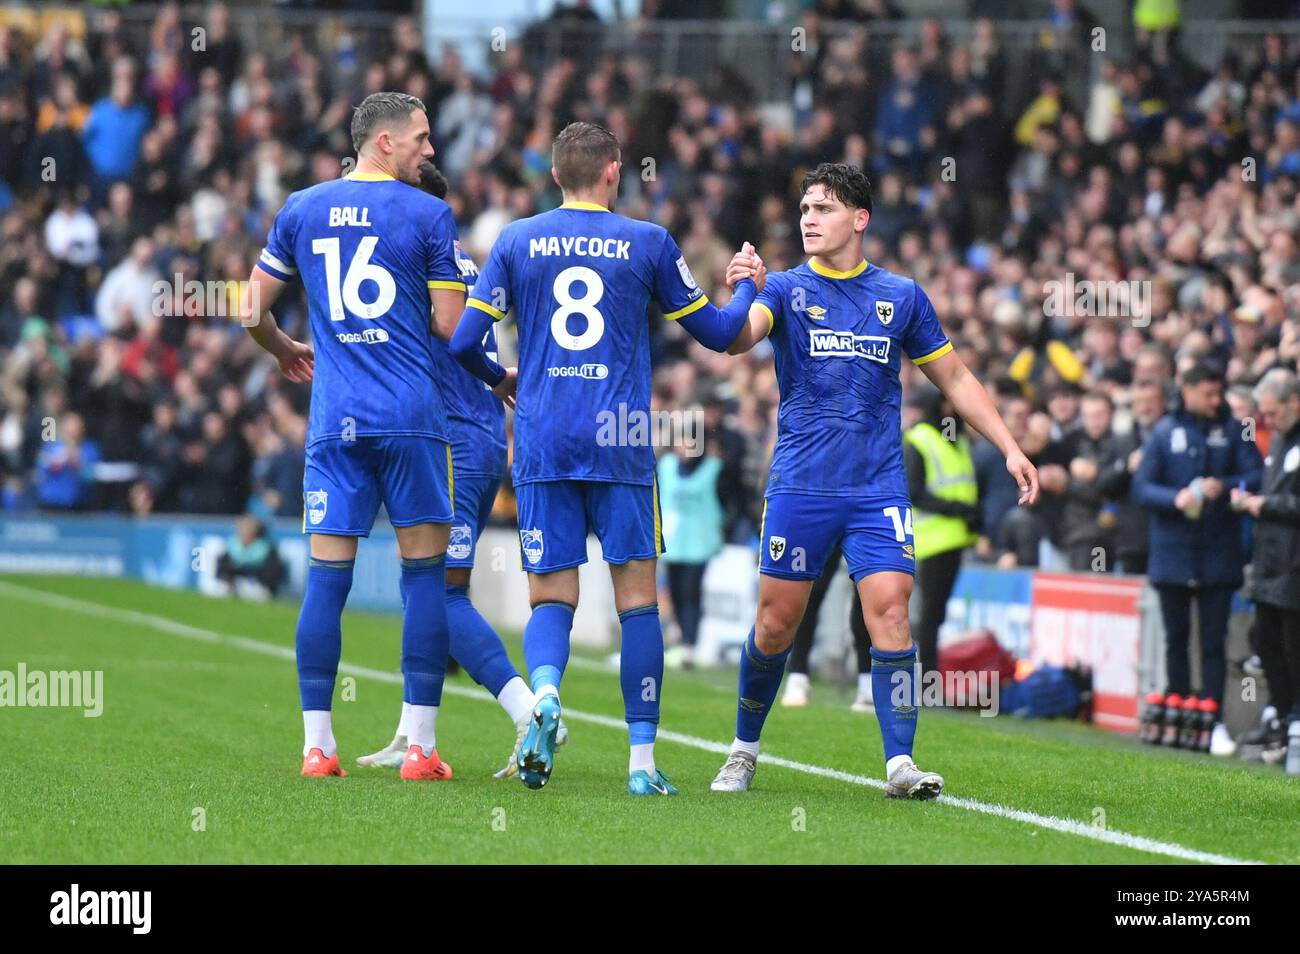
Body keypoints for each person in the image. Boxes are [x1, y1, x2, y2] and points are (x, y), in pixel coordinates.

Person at [709, 163, 1039, 799]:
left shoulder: (902, 296)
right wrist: (747, 288)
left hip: (876, 490)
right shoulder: (785, 291)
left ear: (859, 219)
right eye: (805, 207)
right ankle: (743, 751)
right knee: (776, 625)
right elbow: (732, 342)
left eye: (824, 207)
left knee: (891, 610)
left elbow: (958, 380)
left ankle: (900, 764)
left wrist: (1009, 447)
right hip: (802, 485)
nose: (809, 218)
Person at [451, 121, 759, 795]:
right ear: (615, 171)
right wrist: (749, 287)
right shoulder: (647, 242)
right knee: (638, 605)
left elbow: (461, 342)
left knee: (552, 599)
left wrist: (503, 378)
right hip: (619, 438)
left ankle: (547, 696)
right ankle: (642, 765)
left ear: (556, 175)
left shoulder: (516, 239)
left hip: (543, 434)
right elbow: (719, 333)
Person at [241, 91, 473, 781]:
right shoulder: (429, 213)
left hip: (335, 421)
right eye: (422, 139)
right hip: (410, 418)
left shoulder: (301, 208)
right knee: (425, 577)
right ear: (384, 143)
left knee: (326, 580)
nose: (431, 151)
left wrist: (283, 347)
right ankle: (421, 750)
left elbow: (249, 306)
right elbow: (449, 324)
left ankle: (318, 747)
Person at [357, 159, 567, 777]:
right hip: (477, 441)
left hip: (449, 445)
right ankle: (412, 728)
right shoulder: (462, 261)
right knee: (429, 587)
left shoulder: (409, 261)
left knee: (437, 592)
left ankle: (529, 709)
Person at [1133, 362, 1263, 754]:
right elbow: (1141, 488)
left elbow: (1257, 476)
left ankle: (1213, 723)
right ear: (1186, 390)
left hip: (1218, 553)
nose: (1215, 400)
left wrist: (1221, 487)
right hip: (1172, 553)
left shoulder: (1236, 429)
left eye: (1217, 392)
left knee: (1212, 641)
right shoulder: (1165, 430)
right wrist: (1175, 499)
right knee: (1175, 640)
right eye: (1207, 393)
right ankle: (1179, 716)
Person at [1232, 368, 1300, 769]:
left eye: (1273, 413)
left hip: (1294, 567)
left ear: (1294, 401)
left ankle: (1292, 721)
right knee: (1269, 646)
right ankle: (1282, 715)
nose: (1268, 421)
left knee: (1293, 649)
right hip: (1271, 565)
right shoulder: (1278, 440)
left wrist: (1265, 505)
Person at [905, 385, 980, 674]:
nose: (952, 410)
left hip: (956, 538)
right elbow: (915, 491)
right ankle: (927, 681)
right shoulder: (920, 439)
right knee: (930, 616)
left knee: (936, 616)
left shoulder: (957, 439)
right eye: (947, 403)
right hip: (932, 541)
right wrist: (960, 509)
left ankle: (929, 679)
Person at [657, 435, 725, 669]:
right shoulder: (665, 466)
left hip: (700, 543)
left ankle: (689, 644)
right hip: (673, 543)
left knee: (691, 593)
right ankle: (679, 638)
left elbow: (727, 500)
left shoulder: (713, 469)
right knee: (674, 593)